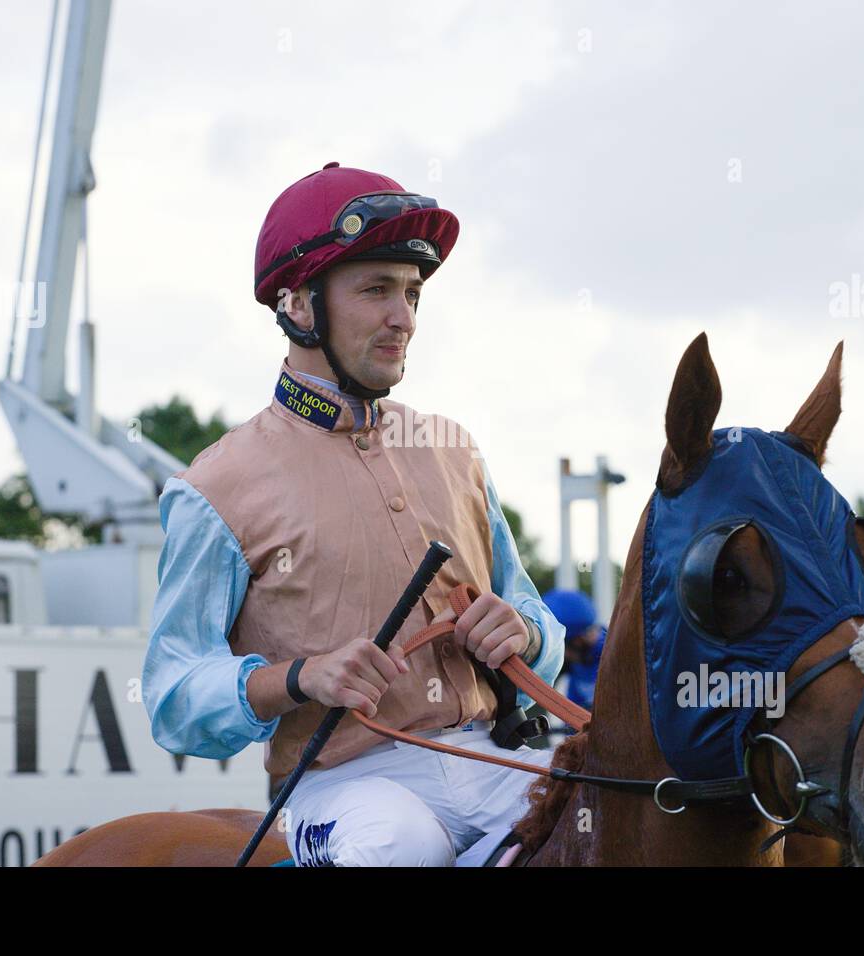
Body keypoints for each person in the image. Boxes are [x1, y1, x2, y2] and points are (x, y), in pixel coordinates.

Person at [142, 163, 565, 866]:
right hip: (344, 786)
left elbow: (539, 626)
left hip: (496, 757)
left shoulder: (456, 451)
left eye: (412, 293)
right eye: (376, 290)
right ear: (299, 306)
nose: (403, 318)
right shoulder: (213, 486)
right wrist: (301, 677)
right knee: (399, 847)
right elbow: (173, 697)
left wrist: (521, 630)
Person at [542, 588, 605, 711]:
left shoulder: (614, 658)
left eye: (560, 646)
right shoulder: (579, 663)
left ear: (577, 641)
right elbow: (574, 709)